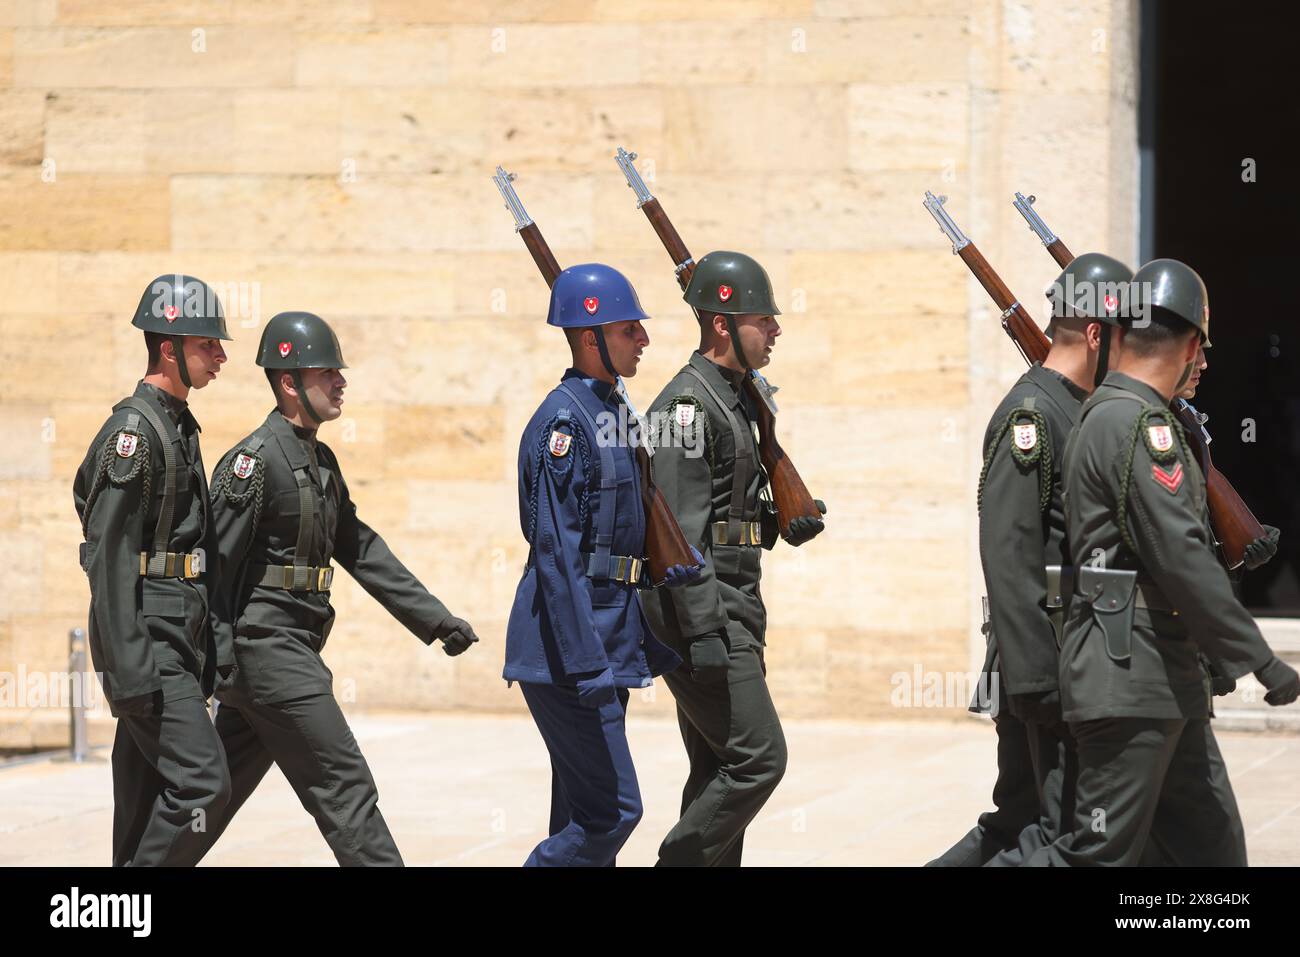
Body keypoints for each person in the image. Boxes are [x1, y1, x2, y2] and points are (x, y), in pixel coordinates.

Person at [1026, 259, 1300, 866]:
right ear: (1193, 345)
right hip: (1130, 679)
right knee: (1096, 855)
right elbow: (1180, 553)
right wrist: (1255, 657)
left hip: (1160, 678)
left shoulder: (1114, 414)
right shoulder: (1135, 424)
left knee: (1211, 855)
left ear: (1118, 334)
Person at [201, 310, 478, 866]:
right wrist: (218, 661)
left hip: (288, 651)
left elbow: (361, 549)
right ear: (288, 382)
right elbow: (214, 571)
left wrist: (436, 619)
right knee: (346, 789)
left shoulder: (319, 460)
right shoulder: (252, 464)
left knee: (205, 800)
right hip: (267, 655)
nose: (341, 381)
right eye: (327, 371)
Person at [928, 253, 1131, 866]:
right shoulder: (1034, 415)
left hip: (1065, 661)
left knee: (1022, 822)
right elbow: (1009, 555)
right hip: (1044, 665)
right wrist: (1039, 681)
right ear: (1096, 334)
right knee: (1062, 831)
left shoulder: (1080, 406)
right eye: (1129, 338)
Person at [504, 264, 693, 867]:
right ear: (591, 339)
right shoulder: (565, 423)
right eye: (629, 329)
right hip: (569, 653)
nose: (643, 339)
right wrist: (588, 665)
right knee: (614, 810)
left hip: (606, 640)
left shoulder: (610, 410)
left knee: (581, 814)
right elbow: (558, 556)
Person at [643, 250, 825, 867]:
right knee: (758, 759)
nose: (775, 329)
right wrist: (703, 633)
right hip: (706, 615)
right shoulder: (686, 409)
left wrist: (779, 519)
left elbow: (723, 516)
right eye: (761, 319)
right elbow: (678, 539)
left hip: (737, 606)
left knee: (716, 772)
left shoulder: (735, 399)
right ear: (722, 323)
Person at [72, 273, 234, 866]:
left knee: (141, 802)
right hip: (149, 640)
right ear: (169, 347)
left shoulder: (177, 423)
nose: (219, 357)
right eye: (207, 345)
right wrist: (132, 669)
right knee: (202, 786)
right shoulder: (135, 434)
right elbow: (109, 558)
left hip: (177, 637)